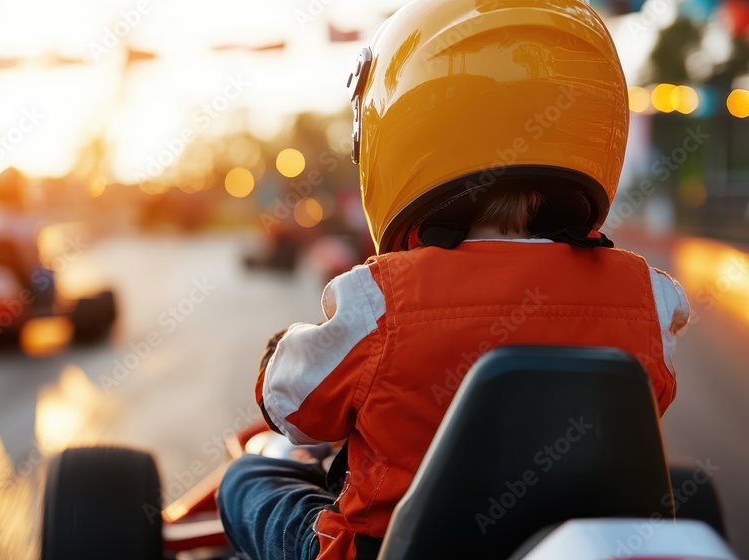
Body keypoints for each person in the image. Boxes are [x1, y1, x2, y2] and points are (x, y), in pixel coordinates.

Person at [216, 1, 691, 559]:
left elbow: (292, 411)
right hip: (573, 540)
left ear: (404, 133)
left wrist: (279, 353)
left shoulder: (380, 298)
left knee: (245, 479)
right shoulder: (651, 297)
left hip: (383, 549)